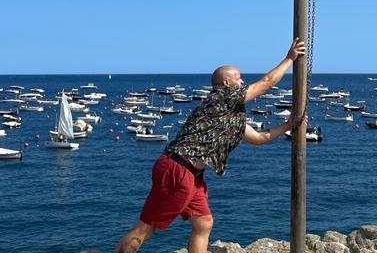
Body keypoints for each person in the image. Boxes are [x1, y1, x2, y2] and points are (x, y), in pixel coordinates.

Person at [116, 38, 307, 253]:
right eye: (238, 78)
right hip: (178, 168)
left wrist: (288, 124)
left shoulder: (229, 116)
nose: (243, 81)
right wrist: (289, 59)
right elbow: (267, 82)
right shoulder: (221, 98)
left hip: (191, 173)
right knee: (147, 227)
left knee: (203, 222)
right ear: (226, 84)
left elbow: (260, 138)